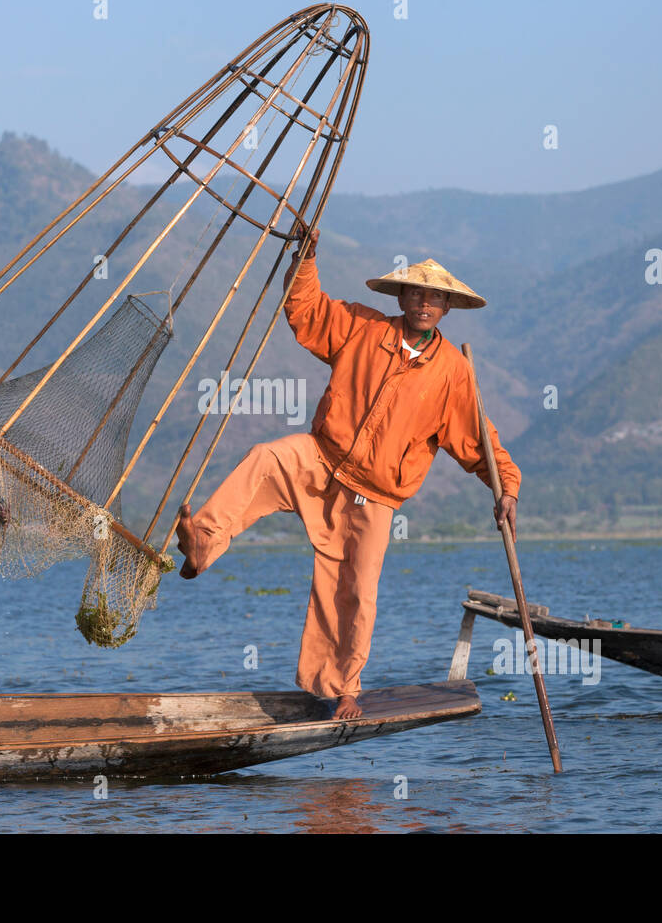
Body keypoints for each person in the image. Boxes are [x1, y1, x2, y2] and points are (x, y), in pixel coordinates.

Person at [176, 226, 521, 720]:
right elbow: (308, 311)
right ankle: (203, 541)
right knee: (267, 459)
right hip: (322, 458)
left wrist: (507, 488)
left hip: (374, 496)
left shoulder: (452, 373)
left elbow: (477, 443)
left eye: (435, 297)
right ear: (402, 297)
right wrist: (305, 260)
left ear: (446, 308)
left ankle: (344, 690)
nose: (425, 303)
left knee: (355, 590)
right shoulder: (364, 328)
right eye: (417, 293)